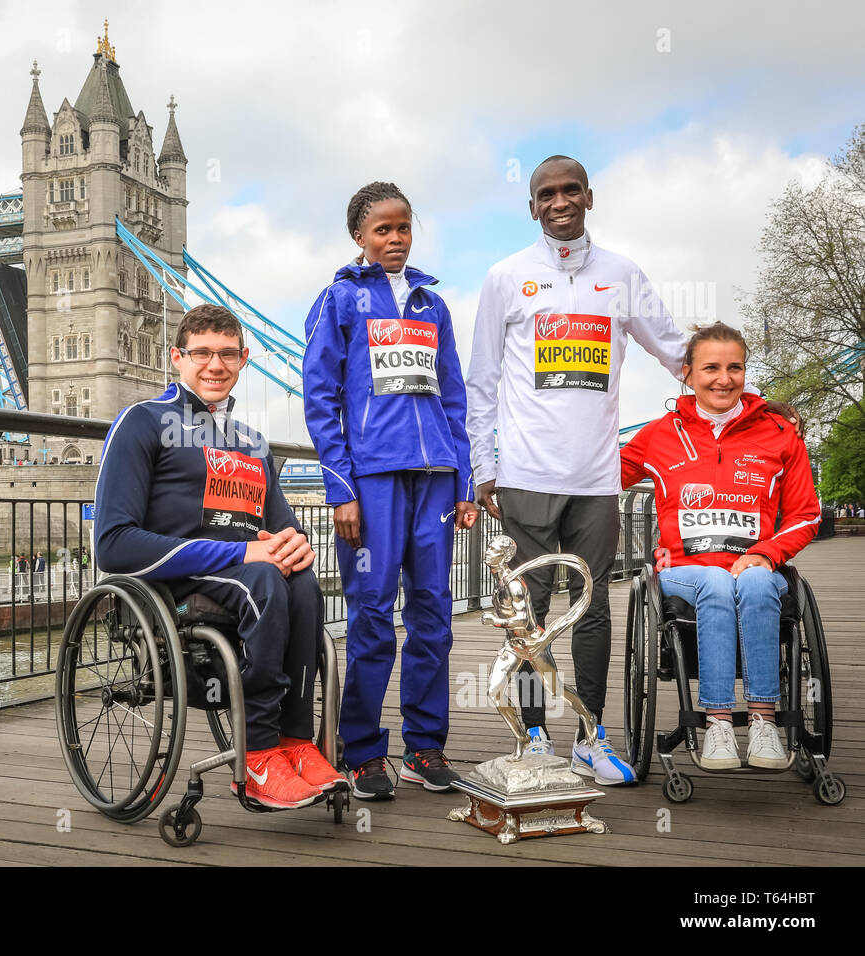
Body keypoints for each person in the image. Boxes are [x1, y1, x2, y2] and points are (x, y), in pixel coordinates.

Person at [466, 155, 801, 785]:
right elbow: (481, 380)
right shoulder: (504, 277)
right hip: (525, 476)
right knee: (531, 613)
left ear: (590, 196)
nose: (559, 201)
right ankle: (536, 737)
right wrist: (482, 466)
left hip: (598, 477)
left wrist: (754, 401)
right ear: (531, 206)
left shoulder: (622, 275)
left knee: (592, 611)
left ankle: (591, 735)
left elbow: (681, 354)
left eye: (570, 190)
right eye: (546, 194)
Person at [95, 303, 346, 809]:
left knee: (299, 579)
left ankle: (295, 742)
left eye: (228, 354)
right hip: (174, 587)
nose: (215, 365)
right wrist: (245, 550)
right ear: (177, 358)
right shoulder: (142, 423)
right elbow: (113, 543)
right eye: (202, 353)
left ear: (244, 359)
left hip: (246, 577)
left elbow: (282, 529)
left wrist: (297, 542)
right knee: (266, 581)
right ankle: (256, 750)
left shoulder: (251, 443)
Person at [303, 182, 478, 801]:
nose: (396, 238)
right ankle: (363, 750)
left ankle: (425, 747)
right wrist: (340, 487)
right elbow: (321, 399)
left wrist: (464, 479)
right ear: (360, 236)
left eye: (404, 228)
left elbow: (454, 396)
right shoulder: (339, 300)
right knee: (373, 614)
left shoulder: (434, 306)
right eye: (382, 229)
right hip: (371, 481)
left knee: (433, 613)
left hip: (434, 481)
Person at [620, 323, 820, 769]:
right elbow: (598, 475)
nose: (723, 379)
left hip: (755, 569)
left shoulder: (780, 434)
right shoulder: (658, 434)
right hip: (682, 570)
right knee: (713, 579)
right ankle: (718, 724)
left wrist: (765, 554)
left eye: (735, 368)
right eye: (711, 367)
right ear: (688, 374)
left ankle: (765, 721)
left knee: (754, 583)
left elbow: (806, 515)